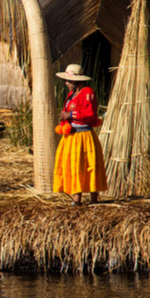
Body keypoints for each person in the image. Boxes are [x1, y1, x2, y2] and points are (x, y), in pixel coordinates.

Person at [52, 63, 107, 206]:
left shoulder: (88, 92)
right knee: (74, 165)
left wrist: (69, 114)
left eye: (68, 81)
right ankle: (77, 199)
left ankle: (93, 199)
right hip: (71, 136)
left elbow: (90, 114)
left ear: (77, 81)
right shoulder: (72, 94)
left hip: (84, 136)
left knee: (89, 165)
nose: (66, 83)